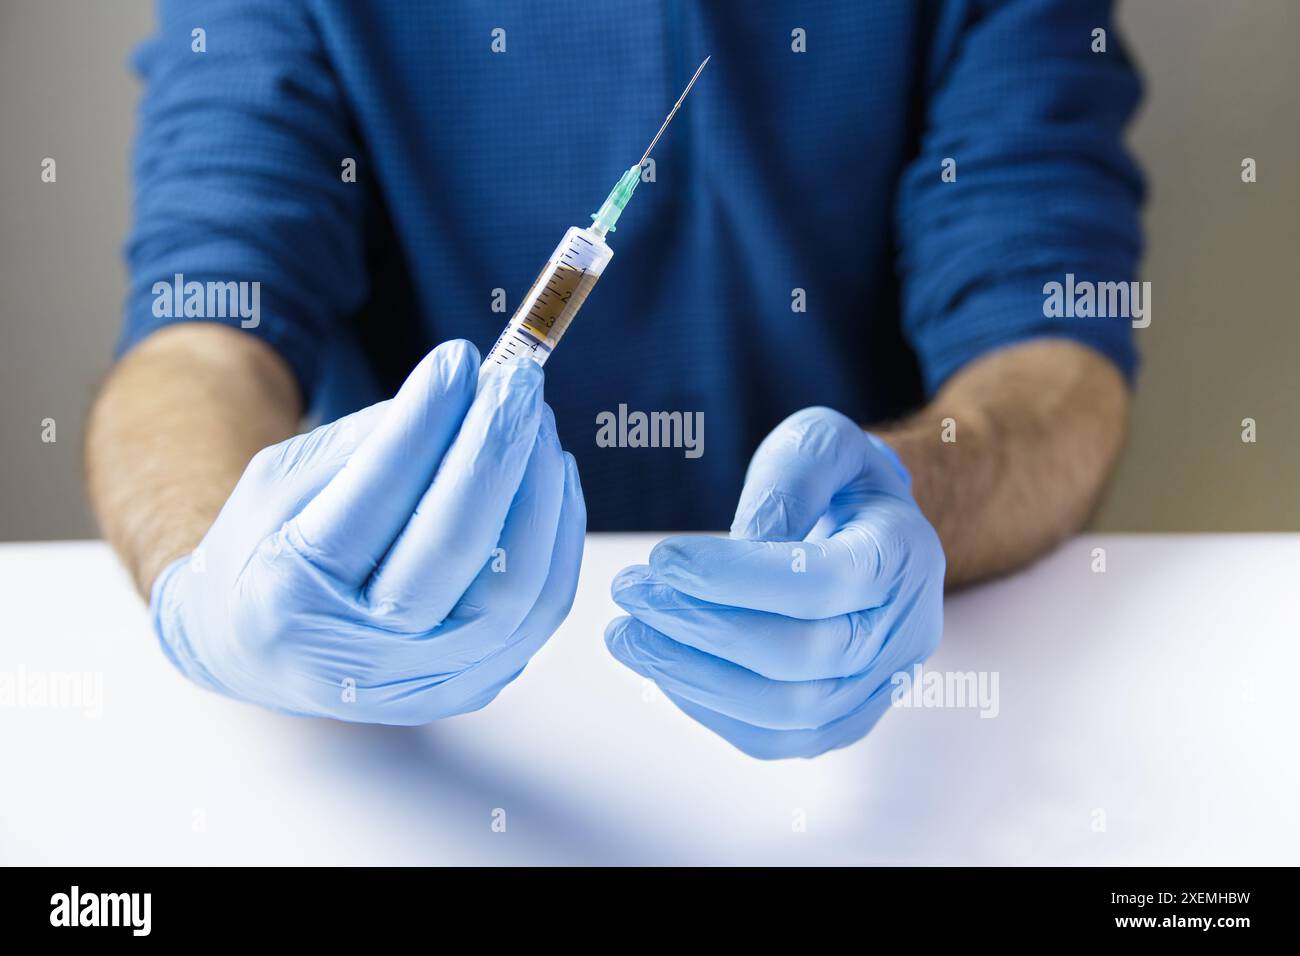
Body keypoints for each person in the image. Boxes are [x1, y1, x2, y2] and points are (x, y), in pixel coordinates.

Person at [87, 0, 1143, 758]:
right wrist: (206, 582)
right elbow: (198, 340)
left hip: (887, 742)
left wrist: (915, 498)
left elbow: (1049, 349)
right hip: (420, 738)